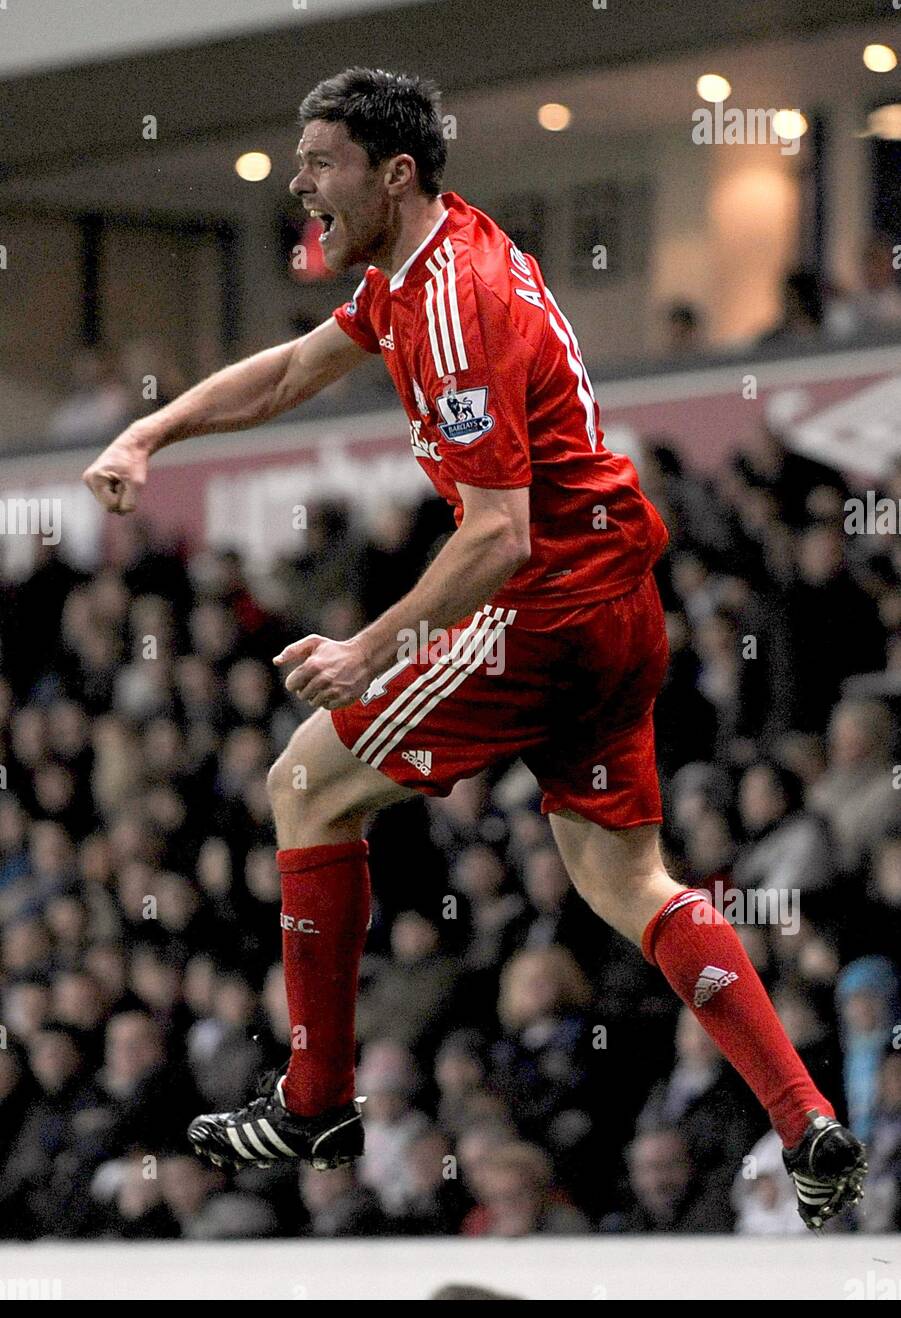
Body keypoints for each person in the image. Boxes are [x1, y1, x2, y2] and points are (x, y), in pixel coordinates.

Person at [82, 67, 865, 1229]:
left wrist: (368, 644)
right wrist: (153, 429)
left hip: (542, 603)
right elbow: (296, 369)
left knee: (303, 779)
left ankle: (316, 1099)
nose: (301, 184)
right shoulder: (427, 259)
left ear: (394, 174)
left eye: (321, 162)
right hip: (614, 601)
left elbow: (497, 538)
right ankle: (806, 1119)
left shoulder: (453, 305)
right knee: (623, 878)